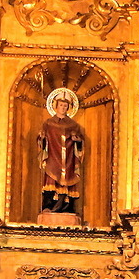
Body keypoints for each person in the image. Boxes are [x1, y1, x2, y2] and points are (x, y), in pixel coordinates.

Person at [38, 88, 85, 216]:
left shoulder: (73, 125)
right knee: (51, 180)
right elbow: (41, 141)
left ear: (68, 108)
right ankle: (49, 206)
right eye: (61, 105)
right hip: (53, 157)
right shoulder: (48, 123)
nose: (63, 108)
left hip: (68, 159)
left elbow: (80, 143)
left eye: (65, 106)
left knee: (68, 181)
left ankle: (67, 207)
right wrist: (42, 138)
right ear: (55, 106)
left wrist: (77, 140)